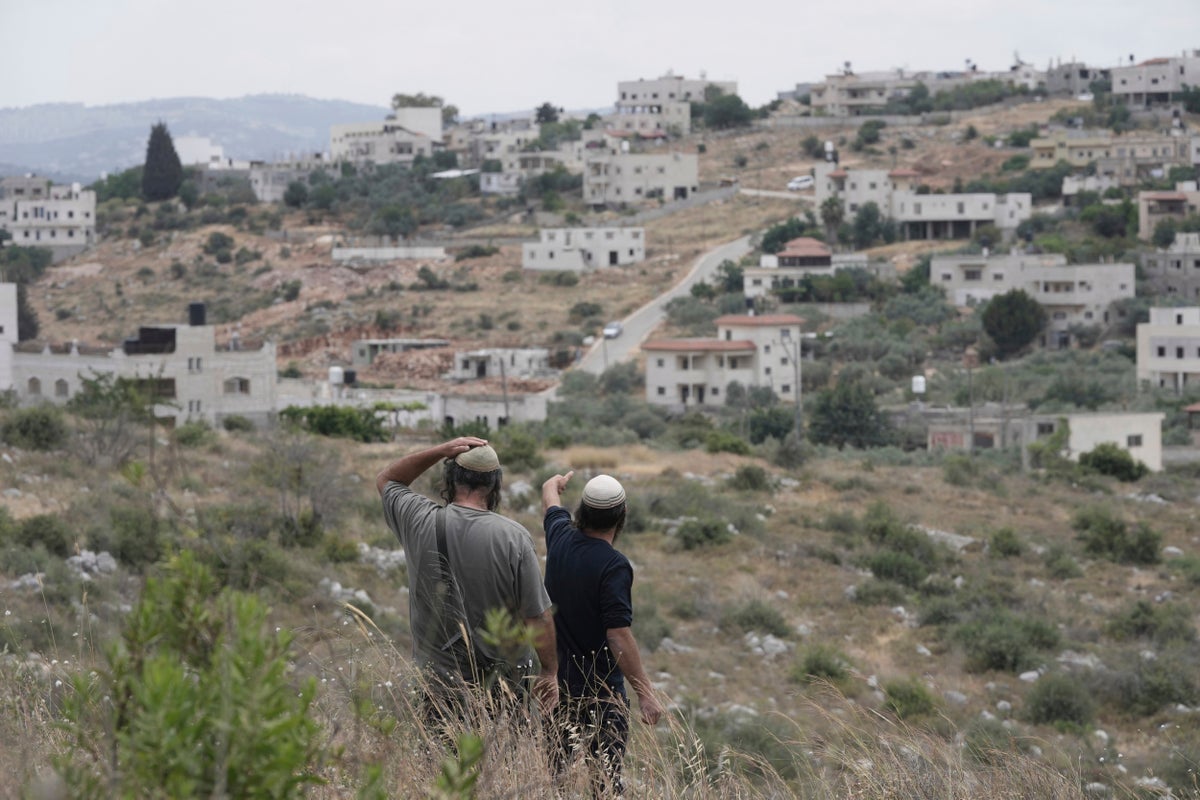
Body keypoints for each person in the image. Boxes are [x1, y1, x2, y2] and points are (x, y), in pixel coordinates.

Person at [377, 436, 558, 719]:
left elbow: (389, 479)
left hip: (437, 686)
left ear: (450, 479)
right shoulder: (514, 537)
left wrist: (441, 450)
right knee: (501, 761)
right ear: (495, 485)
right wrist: (549, 671)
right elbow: (537, 617)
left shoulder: (418, 519)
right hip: (501, 688)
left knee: (440, 761)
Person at [542, 470, 664, 795]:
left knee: (556, 781)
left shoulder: (559, 538)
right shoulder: (614, 565)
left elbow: (550, 501)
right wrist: (646, 695)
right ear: (621, 516)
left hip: (557, 688)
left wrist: (554, 485)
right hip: (601, 694)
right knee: (605, 785)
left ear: (581, 511)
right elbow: (618, 636)